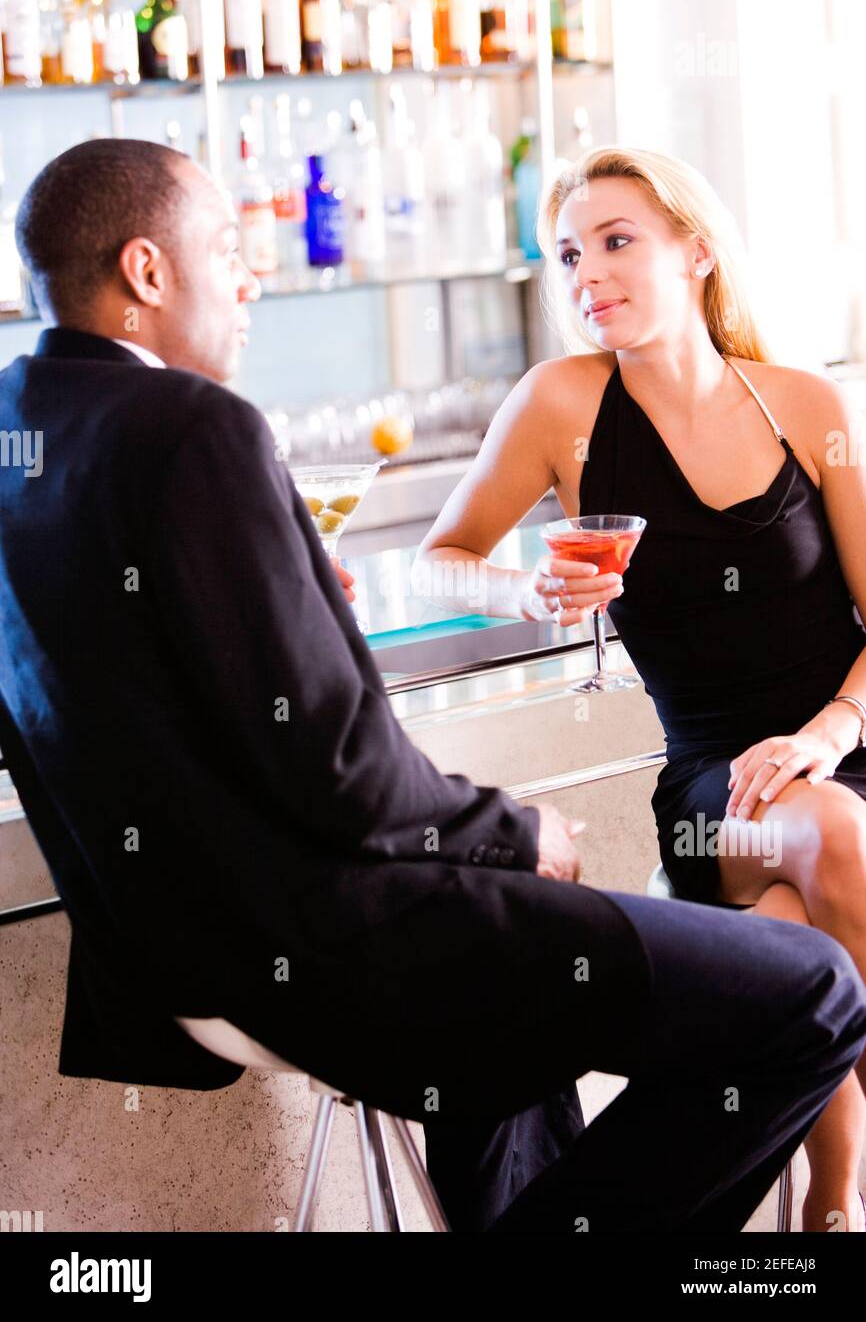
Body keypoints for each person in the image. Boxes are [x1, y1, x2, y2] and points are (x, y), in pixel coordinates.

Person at [0, 140, 864, 1234]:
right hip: (343, 938)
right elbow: (339, 764)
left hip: (182, 953)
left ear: (694, 253)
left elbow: (145, 694)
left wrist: (292, 595)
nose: (251, 275)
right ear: (147, 273)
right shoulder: (198, 426)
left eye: (613, 241)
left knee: (631, 980)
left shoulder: (20, 429)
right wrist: (510, 830)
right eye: (226, 247)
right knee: (809, 996)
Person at [413, 144, 866, 1230]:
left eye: (616, 242)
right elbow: (442, 554)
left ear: (695, 252)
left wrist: (825, 731)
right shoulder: (560, 406)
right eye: (568, 255)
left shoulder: (805, 405)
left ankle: (832, 1206)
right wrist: (524, 588)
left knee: (802, 911)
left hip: (839, 744)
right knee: (827, 839)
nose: (586, 275)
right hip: (715, 793)